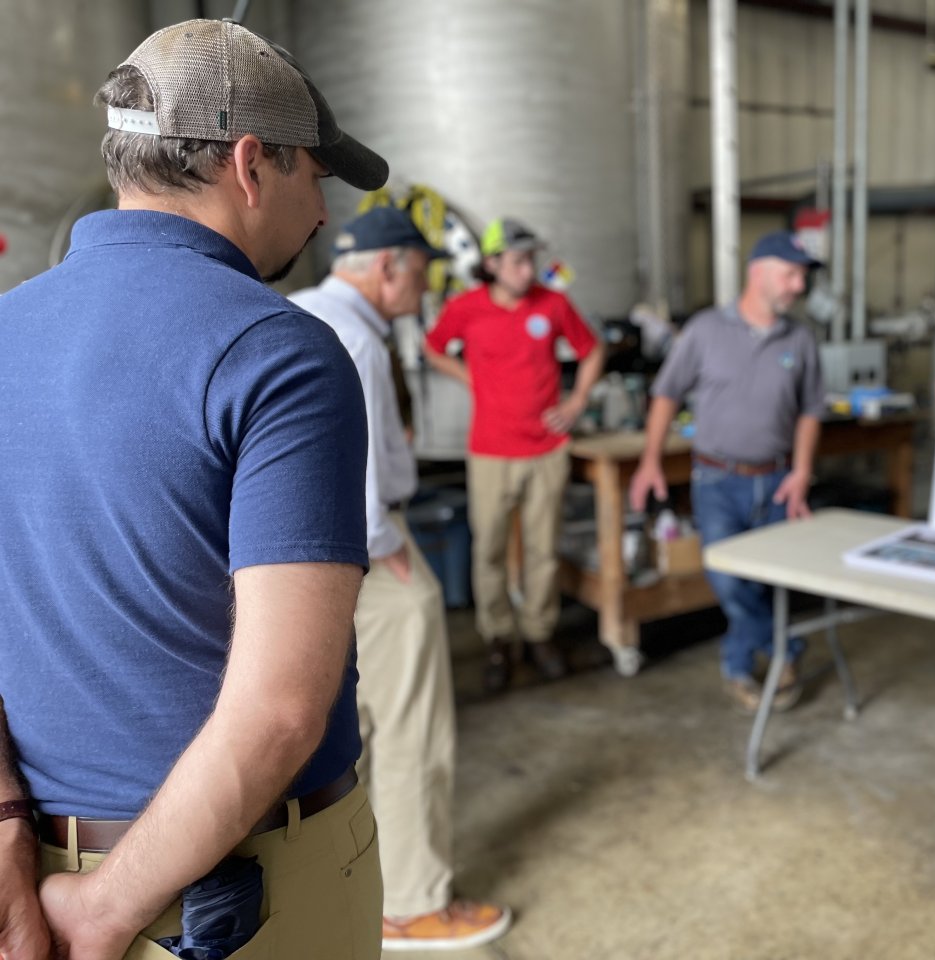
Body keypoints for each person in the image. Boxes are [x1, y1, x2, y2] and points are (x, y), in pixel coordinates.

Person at [0, 19, 391, 960]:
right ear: (252, 165)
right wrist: (103, 910)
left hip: (33, 881)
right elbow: (282, 709)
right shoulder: (279, 351)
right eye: (316, 177)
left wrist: (10, 830)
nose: (325, 217)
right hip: (222, 897)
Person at [290, 207, 511, 951]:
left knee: (360, 722)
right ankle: (414, 902)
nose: (425, 291)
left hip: (303, 548)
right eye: (420, 275)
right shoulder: (355, 337)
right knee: (414, 727)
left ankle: (356, 880)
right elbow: (354, 475)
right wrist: (387, 546)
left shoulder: (304, 312)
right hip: (365, 541)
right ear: (389, 268)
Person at [629, 231, 827, 714]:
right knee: (729, 580)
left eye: (802, 276)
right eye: (791, 274)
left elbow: (811, 410)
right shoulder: (704, 330)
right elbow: (666, 394)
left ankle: (737, 667)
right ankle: (787, 650)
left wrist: (802, 471)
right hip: (717, 481)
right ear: (757, 272)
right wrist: (651, 460)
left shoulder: (799, 339)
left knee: (772, 581)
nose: (798, 286)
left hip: (777, 480)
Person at [424, 218, 604, 693]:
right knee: (489, 551)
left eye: (532, 260)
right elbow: (433, 347)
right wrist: (470, 379)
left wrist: (577, 401)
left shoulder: (555, 304)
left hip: (546, 449)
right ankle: (500, 638)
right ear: (492, 264)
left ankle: (539, 634)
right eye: (519, 261)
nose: (529, 271)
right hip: (490, 450)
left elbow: (592, 350)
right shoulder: (466, 308)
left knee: (544, 550)